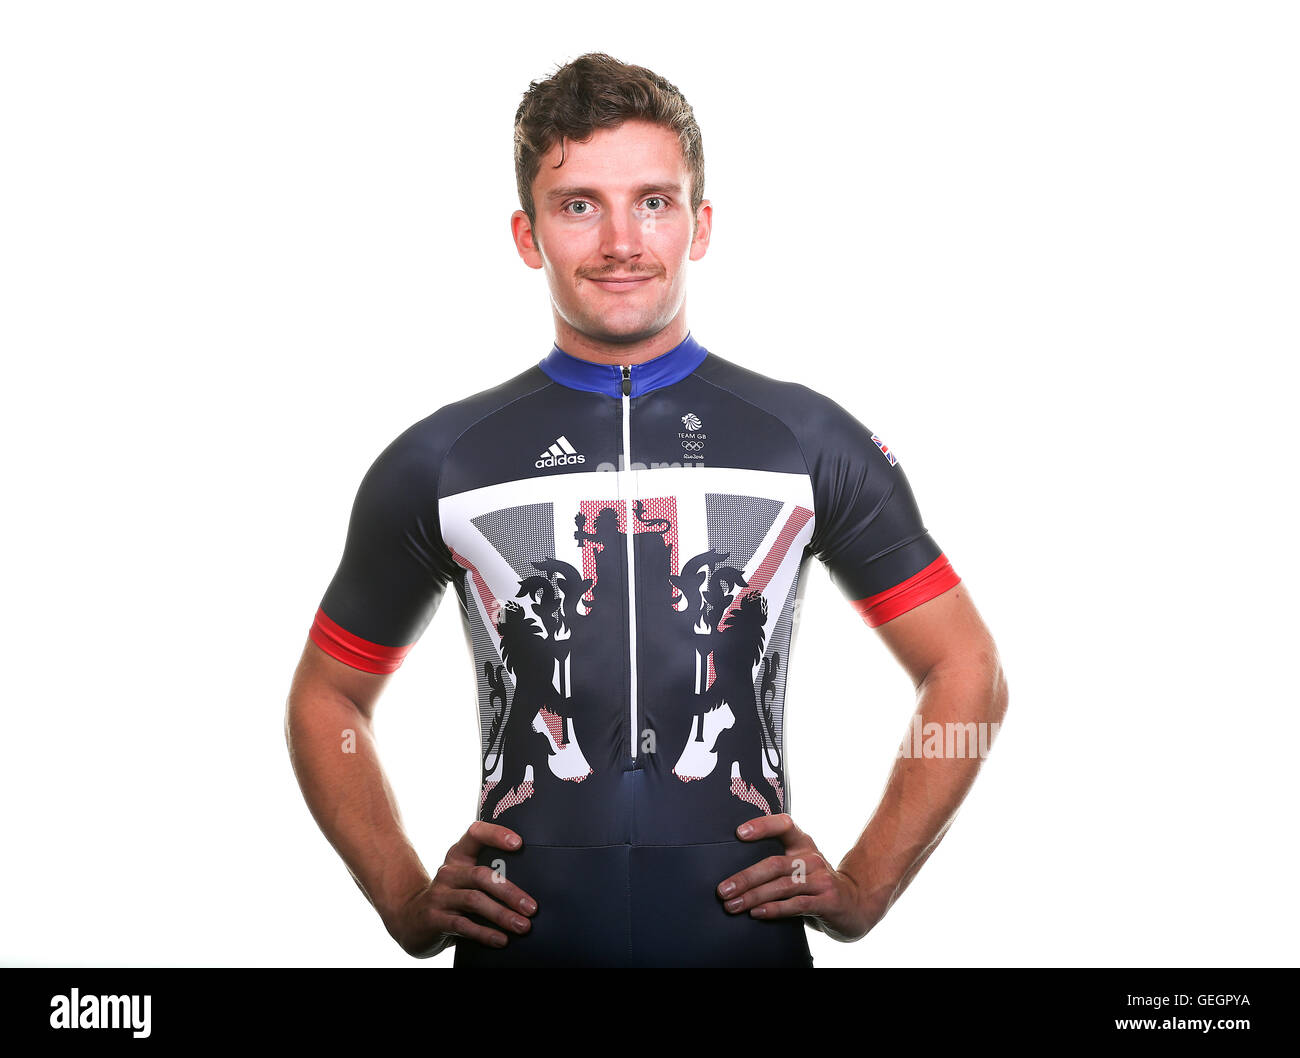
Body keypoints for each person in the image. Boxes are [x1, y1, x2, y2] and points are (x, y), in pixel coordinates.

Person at [284, 52, 1008, 968]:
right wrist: (400, 896)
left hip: (741, 950)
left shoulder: (806, 439)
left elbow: (968, 670)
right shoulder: (440, 459)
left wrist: (868, 887)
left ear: (700, 225)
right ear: (526, 233)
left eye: (654, 202)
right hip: (525, 948)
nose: (621, 240)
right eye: (579, 203)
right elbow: (326, 696)